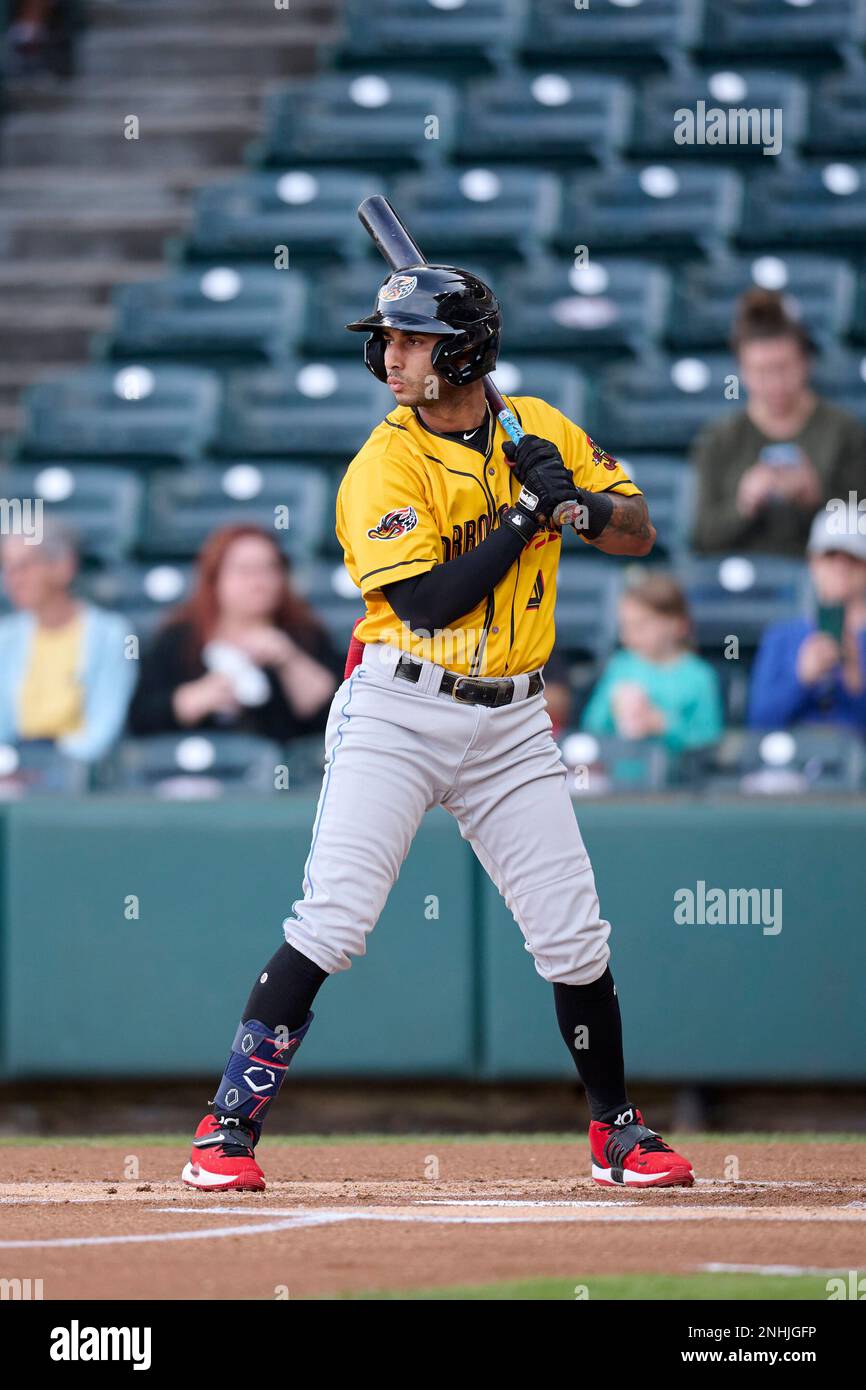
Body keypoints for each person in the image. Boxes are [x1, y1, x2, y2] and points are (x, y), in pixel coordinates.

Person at [182, 264, 695, 1194]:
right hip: (401, 705)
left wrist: (576, 505)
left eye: (413, 341)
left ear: (465, 352)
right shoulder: (383, 461)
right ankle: (224, 1130)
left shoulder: (537, 428)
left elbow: (639, 531)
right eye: (390, 338)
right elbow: (425, 600)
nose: (390, 356)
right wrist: (525, 515)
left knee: (574, 934)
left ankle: (615, 1131)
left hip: (512, 720)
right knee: (334, 919)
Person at [691, 289, 866, 556]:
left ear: (805, 362)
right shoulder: (720, 438)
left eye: (784, 367)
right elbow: (701, 537)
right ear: (742, 373)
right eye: (761, 371)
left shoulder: (845, 432)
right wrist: (743, 504)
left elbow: (861, 527)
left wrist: (816, 496)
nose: (775, 383)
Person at [128, 524, 339, 742]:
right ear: (215, 578)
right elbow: (141, 718)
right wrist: (201, 696)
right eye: (244, 570)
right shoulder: (180, 638)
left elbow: (335, 715)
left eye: (269, 569)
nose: (258, 582)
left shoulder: (304, 633)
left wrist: (289, 658)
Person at [0, 520, 135, 762]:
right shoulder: (5, 637)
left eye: (25, 567)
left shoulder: (117, 635)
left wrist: (55, 764)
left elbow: (107, 722)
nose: (14, 579)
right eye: (7, 568)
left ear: (63, 566)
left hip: (82, 780)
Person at [748, 508, 866, 731]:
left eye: (853, 558)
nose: (841, 566)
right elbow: (759, 723)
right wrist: (801, 677)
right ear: (813, 562)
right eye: (830, 555)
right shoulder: (780, 637)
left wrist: (855, 680)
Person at [581, 574, 723, 753]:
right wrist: (614, 707)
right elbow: (592, 726)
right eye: (625, 626)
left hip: (679, 777)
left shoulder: (699, 676)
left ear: (677, 625)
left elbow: (709, 738)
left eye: (640, 625)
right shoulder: (620, 666)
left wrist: (662, 724)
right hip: (622, 773)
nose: (628, 635)